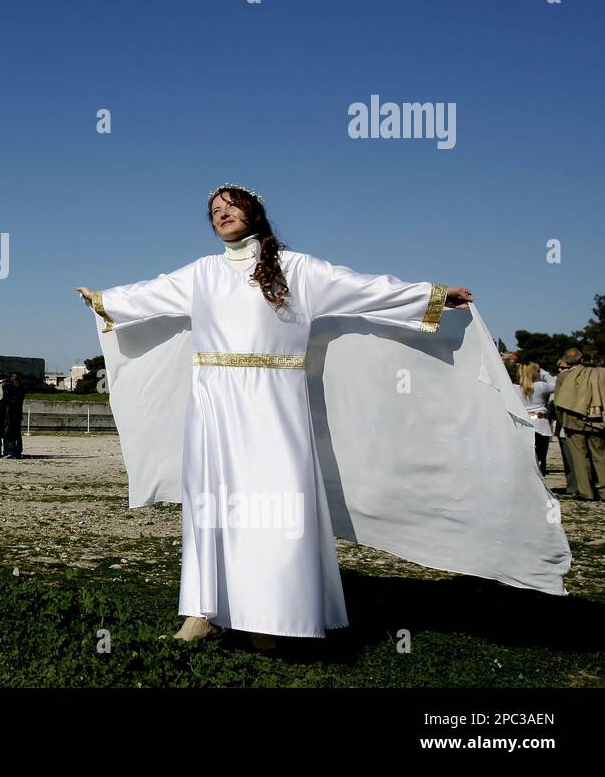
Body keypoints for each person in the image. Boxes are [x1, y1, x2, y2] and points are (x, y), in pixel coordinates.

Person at [76, 184, 569, 651]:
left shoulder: (299, 269)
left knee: (274, 503)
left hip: (275, 401)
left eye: (231, 206)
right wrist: (103, 299)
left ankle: (267, 616)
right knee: (211, 502)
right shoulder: (200, 273)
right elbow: (148, 295)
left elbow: (365, 289)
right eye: (214, 211)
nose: (221, 215)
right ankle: (202, 612)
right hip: (214, 401)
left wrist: (431, 295)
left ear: (255, 213)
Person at [553, 348, 605, 501]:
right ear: (582, 360)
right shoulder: (600, 374)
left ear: (566, 361)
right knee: (600, 456)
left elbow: (558, 402)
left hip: (573, 420)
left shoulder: (563, 377)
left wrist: (561, 422)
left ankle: (586, 492)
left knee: (579, 457)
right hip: (596, 419)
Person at [516, 362, 555, 475]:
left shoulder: (515, 388)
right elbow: (557, 383)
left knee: (527, 457)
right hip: (540, 424)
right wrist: (544, 373)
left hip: (524, 423)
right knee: (541, 457)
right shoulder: (541, 386)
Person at [1, 373, 25, 458]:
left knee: (9, 432)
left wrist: (4, 388)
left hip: (11, 413)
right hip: (16, 413)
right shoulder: (20, 388)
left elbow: (7, 400)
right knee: (16, 432)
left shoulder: (11, 388)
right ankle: (17, 450)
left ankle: (10, 451)